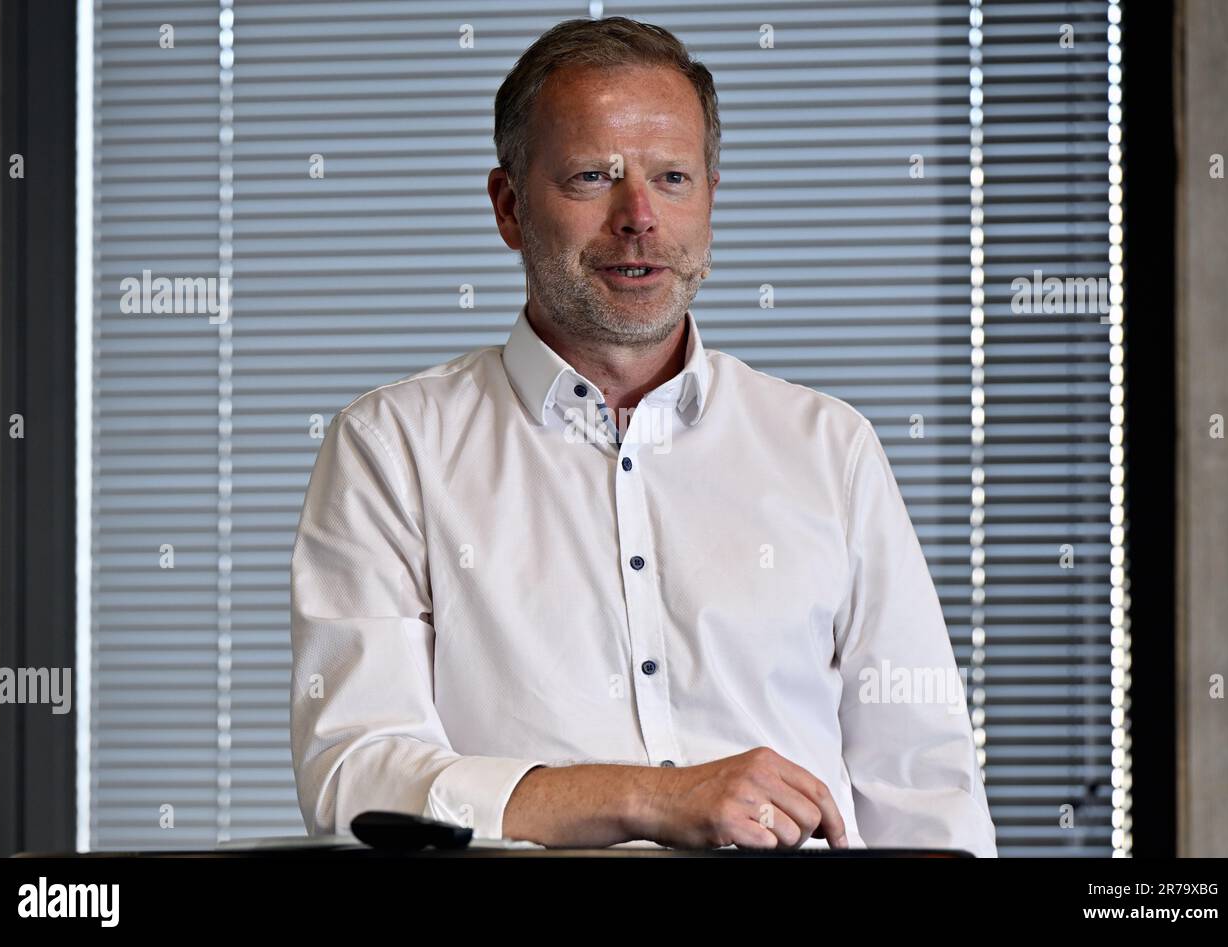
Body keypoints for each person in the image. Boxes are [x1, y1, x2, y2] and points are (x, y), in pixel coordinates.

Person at [289, 16, 997, 856]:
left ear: (711, 200)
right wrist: (650, 797)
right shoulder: (391, 448)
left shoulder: (830, 448)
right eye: (593, 177)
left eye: (672, 177)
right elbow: (357, 775)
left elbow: (926, 793)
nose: (640, 217)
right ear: (509, 208)